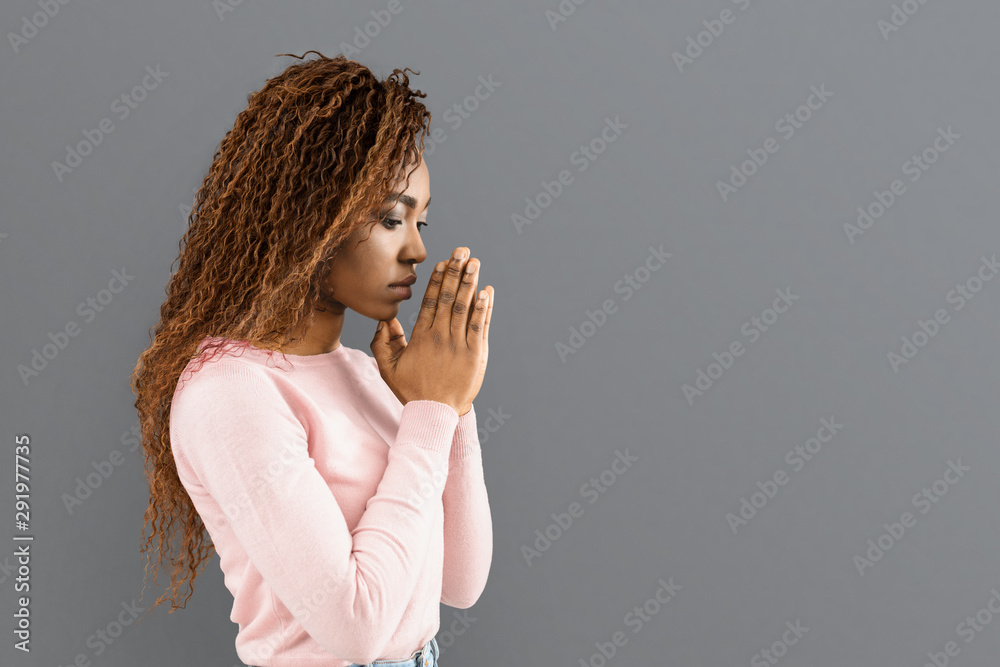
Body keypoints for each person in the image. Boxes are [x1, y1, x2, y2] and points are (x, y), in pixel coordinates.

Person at [130, 50, 495, 667]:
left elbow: (460, 581)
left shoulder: (364, 373)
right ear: (310, 215)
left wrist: (450, 409)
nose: (417, 249)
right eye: (391, 218)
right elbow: (356, 625)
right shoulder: (228, 392)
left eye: (422, 222)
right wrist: (432, 408)